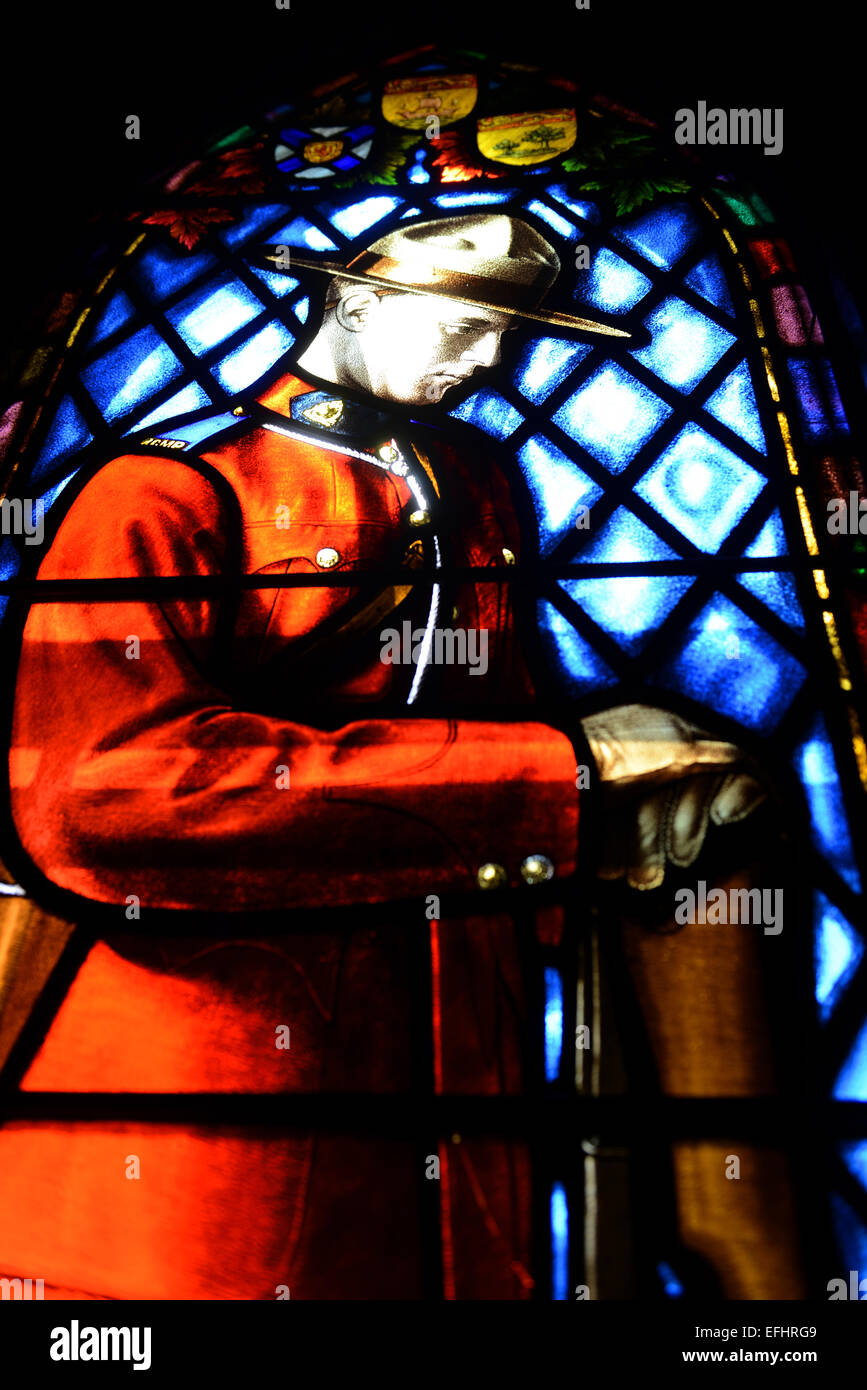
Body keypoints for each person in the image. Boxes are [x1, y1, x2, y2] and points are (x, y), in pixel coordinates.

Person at [0, 213, 764, 1299]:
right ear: (355, 297)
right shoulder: (165, 490)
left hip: (460, 1057)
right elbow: (105, 797)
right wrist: (564, 776)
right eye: (469, 325)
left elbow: (511, 719)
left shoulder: (476, 483)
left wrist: (634, 806)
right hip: (211, 1069)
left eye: (517, 336)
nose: (493, 364)